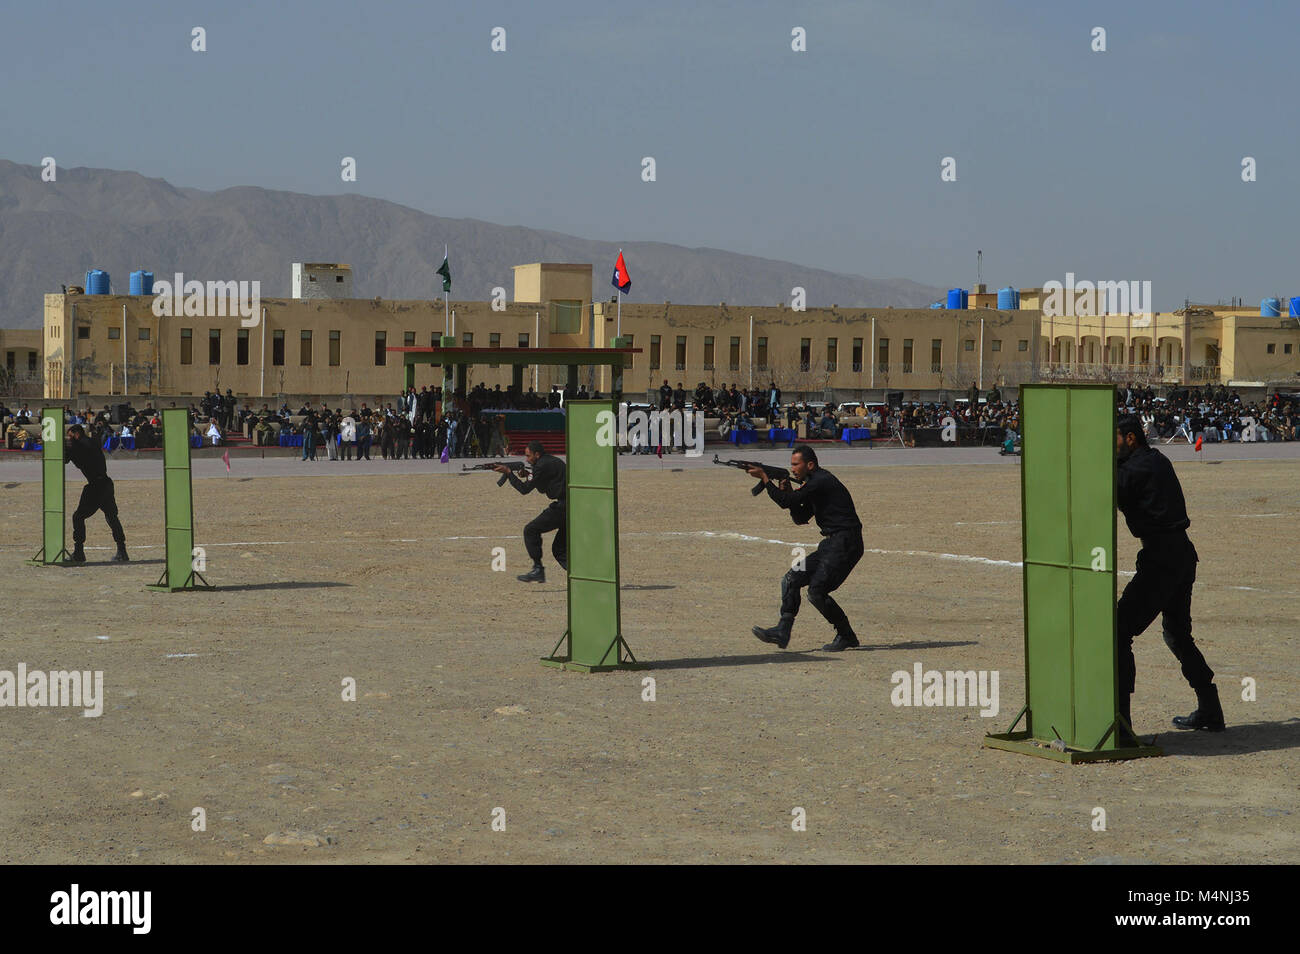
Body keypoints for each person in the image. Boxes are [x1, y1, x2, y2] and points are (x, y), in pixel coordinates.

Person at [1115, 414, 1223, 736]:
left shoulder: (1135, 469)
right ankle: (1210, 708)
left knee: (1119, 632)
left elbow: (1107, 489)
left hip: (1162, 558)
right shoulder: (1156, 459)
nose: (1113, 446)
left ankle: (1121, 725)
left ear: (1130, 438)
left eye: (1115, 440)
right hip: (1180, 555)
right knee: (1177, 634)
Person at [749, 445, 864, 651]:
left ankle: (847, 636)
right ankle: (782, 631)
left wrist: (766, 479)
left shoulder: (821, 481)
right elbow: (800, 517)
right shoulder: (814, 484)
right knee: (791, 579)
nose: (792, 468)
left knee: (816, 591)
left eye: (796, 464)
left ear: (809, 464)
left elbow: (786, 502)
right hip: (831, 544)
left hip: (846, 542)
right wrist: (788, 491)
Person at [492, 440, 567, 582]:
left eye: (528, 456)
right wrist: (527, 474)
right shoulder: (547, 462)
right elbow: (543, 487)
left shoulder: (541, 465)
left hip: (564, 507)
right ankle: (584, 576)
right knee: (559, 550)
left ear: (537, 455)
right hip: (570, 506)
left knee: (530, 530)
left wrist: (508, 473)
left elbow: (524, 489)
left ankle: (538, 569)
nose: (527, 459)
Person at [64, 423, 128, 563]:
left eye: (70, 436)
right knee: (112, 517)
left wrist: (66, 446)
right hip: (105, 483)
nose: (70, 439)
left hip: (95, 486)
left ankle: (79, 552)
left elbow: (65, 459)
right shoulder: (91, 442)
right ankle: (122, 550)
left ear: (76, 434)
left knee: (78, 517)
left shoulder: (79, 446)